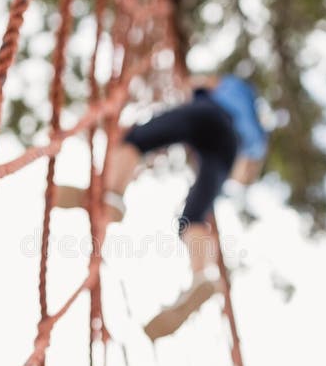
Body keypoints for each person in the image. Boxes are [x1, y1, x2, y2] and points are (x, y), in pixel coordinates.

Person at [56, 73, 268, 339]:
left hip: (207, 114)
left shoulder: (233, 86)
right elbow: (245, 174)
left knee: (136, 139)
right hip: (230, 146)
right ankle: (201, 276)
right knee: (194, 217)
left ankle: (112, 194)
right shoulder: (258, 133)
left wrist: (190, 85)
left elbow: (201, 82)